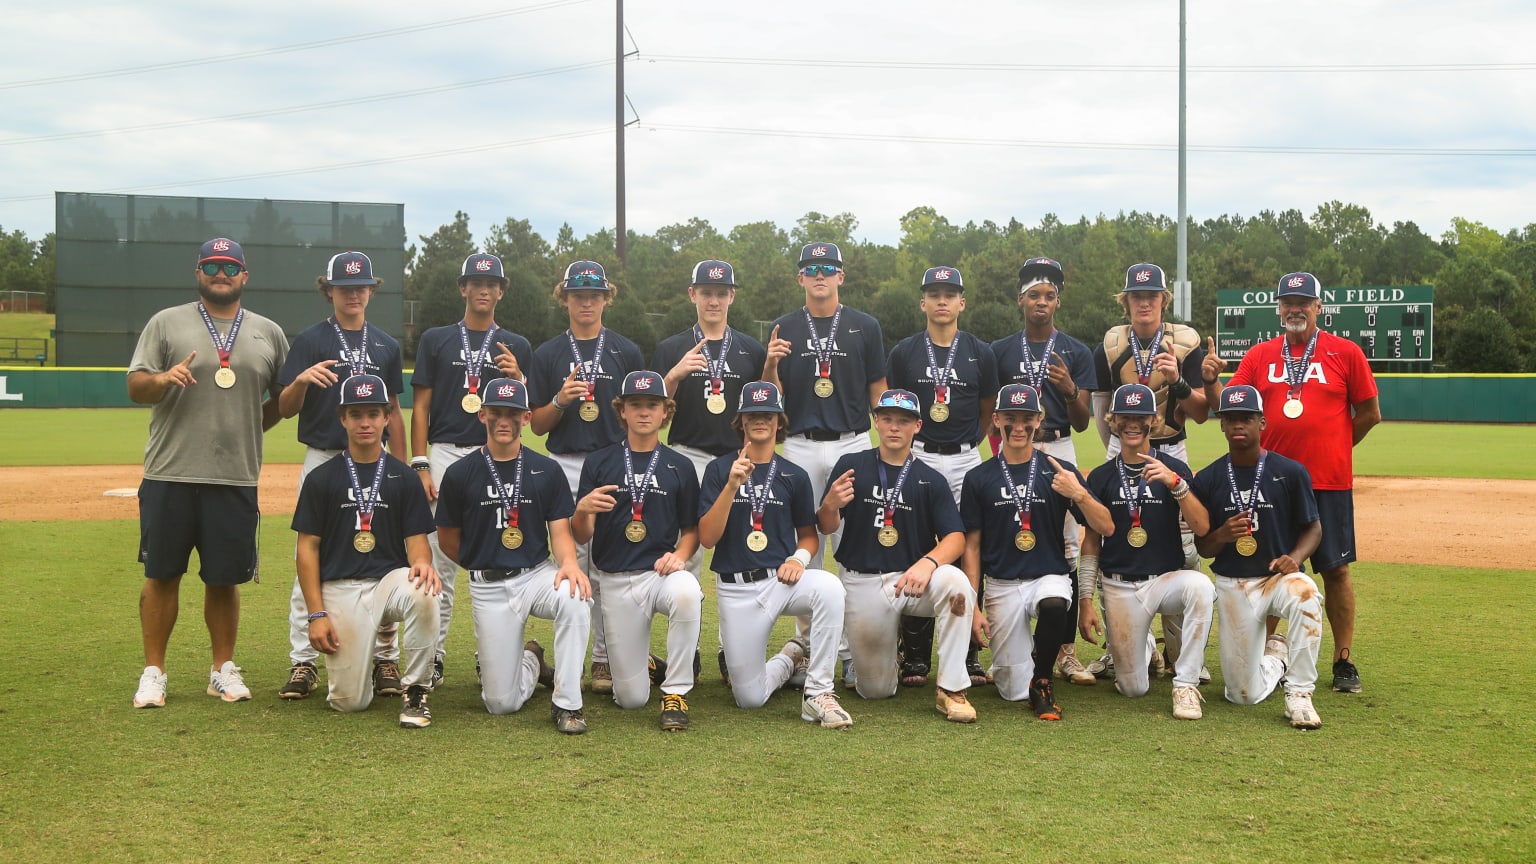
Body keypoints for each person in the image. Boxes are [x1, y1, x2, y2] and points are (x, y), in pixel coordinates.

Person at [128, 237, 288, 709]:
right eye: (212, 265)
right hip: (170, 471)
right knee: (162, 574)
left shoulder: (267, 332)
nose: (222, 273)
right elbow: (136, 385)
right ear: (198, 272)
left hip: (234, 476)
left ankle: (222, 669)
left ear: (245, 276)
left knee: (224, 579)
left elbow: (282, 400)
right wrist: (162, 379)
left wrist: (252, 425)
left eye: (230, 266)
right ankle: (153, 672)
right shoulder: (166, 322)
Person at [1216, 272, 1380, 693]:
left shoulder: (1345, 353)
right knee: (1270, 570)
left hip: (1327, 482)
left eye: (1303, 302)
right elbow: (1232, 407)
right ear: (1278, 308)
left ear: (1318, 308)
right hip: (1269, 484)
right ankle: (1269, 654)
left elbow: (1368, 413)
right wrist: (1208, 377)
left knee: (1336, 569)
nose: (1295, 309)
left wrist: (1338, 448)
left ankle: (1342, 659)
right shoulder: (1259, 356)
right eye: (1287, 302)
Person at [276, 251, 408, 700]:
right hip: (324, 458)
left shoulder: (387, 345)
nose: (353, 294)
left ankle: (386, 660)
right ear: (328, 290)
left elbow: (394, 413)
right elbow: (284, 407)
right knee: (308, 557)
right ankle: (302, 662)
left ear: (371, 290)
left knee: (389, 560)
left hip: (378, 464)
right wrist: (300, 382)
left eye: (361, 286)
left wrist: (406, 468)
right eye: (344, 287)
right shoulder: (310, 341)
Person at [433, 377, 594, 734]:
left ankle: (568, 704)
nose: (503, 420)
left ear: (525, 418)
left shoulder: (546, 469)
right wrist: (483, 562)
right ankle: (533, 660)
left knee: (575, 598)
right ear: (482, 415)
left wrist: (568, 563)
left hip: (536, 574)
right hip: (489, 587)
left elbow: (561, 532)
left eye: (512, 413)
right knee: (500, 704)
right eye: (496, 413)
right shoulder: (460, 474)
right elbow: (447, 540)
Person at [763, 241, 887, 688]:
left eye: (828, 268)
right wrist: (771, 364)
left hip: (851, 441)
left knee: (852, 545)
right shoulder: (784, 326)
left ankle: (852, 651)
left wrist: (884, 446)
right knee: (805, 545)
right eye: (811, 268)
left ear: (841, 276)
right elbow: (770, 396)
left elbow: (879, 389)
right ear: (800, 277)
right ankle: (813, 649)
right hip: (798, 442)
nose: (820, 275)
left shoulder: (864, 326)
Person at [815, 388, 978, 722]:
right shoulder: (851, 465)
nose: (894, 427)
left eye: (903, 421)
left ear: (917, 426)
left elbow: (956, 538)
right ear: (875, 421)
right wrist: (830, 503)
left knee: (957, 584)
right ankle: (887, 651)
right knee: (876, 691)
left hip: (912, 579)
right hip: (863, 580)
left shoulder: (931, 478)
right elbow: (827, 525)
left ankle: (951, 688)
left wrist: (928, 562)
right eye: (887, 418)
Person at [697, 381, 852, 729]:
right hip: (736, 589)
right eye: (752, 415)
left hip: (781, 581)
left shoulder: (794, 475)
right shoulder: (720, 470)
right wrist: (732, 487)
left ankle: (817, 693)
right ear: (741, 421)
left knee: (829, 587)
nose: (760, 421)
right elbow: (708, 538)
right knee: (749, 699)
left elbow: (810, 536)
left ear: (780, 421)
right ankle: (791, 657)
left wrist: (798, 559)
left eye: (768, 414)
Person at [291, 374, 441, 727]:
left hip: (389, 582)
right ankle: (368, 667)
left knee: (424, 591)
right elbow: (307, 550)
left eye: (374, 413)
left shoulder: (402, 477)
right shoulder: (322, 478)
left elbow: (418, 542)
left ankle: (417, 690)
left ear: (387, 417)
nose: (365, 423)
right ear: (342, 418)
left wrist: (422, 565)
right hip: (341, 587)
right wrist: (315, 614)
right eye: (356, 414)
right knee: (349, 703)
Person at [410, 252, 531, 688]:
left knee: (493, 557)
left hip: (495, 456)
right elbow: (420, 405)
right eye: (476, 282)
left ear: (501, 290)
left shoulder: (516, 344)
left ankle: (492, 656)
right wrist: (420, 462)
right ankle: (433, 657)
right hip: (445, 452)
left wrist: (520, 376)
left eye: (492, 283)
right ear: (462, 288)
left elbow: (524, 411)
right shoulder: (437, 339)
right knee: (440, 563)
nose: (484, 289)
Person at [528, 260, 647, 695]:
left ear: (605, 299)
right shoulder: (547, 354)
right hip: (565, 465)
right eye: (577, 295)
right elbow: (537, 425)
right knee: (571, 565)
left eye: (594, 295)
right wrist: (560, 400)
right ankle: (569, 665)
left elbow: (639, 414)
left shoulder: (626, 351)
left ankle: (602, 661)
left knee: (607, 565)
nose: (586, 302)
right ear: (565, 299)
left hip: (613, 466)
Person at [1089, 262, 1212, 681]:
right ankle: (1123, 645)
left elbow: (1199, 412)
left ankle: (1181, 653)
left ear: (1164, 300)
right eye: (1136, 296)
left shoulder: (1185, 341)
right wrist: (1121, 440)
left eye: (1152, 296)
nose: (1144, 302)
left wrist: (1178, 382)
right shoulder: (1111, 342)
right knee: (1117, 541)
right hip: (1123, 447)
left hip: (1170, 446)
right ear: (1126, 302)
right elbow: (1103, 408)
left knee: (1183, 546)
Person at [961, 384, 1114, 721]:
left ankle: (1043, 679)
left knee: (1054, 602)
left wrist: (1079, 494)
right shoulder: (978, 477)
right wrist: (973, 604)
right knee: (1011, 691)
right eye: (1011, 419)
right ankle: (1029, 662)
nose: (1019, 427)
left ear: (1039, 419)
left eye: (1027, 418)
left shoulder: (1058, 470)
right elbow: (971, 547)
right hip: (1001, 583)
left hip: (1049, 574)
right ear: (996, 420)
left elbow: (1106, 527)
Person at [885, 266, 997, 690]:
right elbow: (895, 406)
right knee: (918, 544)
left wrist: (971, 441)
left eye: (950, 294)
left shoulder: (979, 352)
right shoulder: (904, 352)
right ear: (923, 303)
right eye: (934, 294)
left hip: (967, 457)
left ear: (962, 303)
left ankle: (968, 653)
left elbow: (987, 406)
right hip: (918, 454)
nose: (942, 301)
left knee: (969, 545)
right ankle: (914, 653)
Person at [989, 257, 1098, 687]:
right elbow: (991, 410)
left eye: (1049, 296)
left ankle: (1065, 650)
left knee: (1068, 544)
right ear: (1021, 299)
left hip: (1057, 443)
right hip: (1014, 446)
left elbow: (1085, 419)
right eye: (1034, 294)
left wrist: (1070, 389)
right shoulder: (1000, 350)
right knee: (1006, 530)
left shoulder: (1075, 349)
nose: (1042, 302)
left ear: (1058, 301)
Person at [573, 371, 703, 731]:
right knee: (630, 699)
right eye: (636, 405)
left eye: (653, 405)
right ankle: (646, 665)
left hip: (660, 574)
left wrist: (680, 555)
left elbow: (692, 530)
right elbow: (581, 534)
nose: (644, 412)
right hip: (615, 578)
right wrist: (582, 510)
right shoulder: (599, 462)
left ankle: (676, 691)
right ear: (622, 412)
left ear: (666, 413)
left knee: (688, 592)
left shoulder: (680, 465)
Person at [1191, 385, 1324, 729]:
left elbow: (1314, 529)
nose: (1238, 425)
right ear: (1221, 424)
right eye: (1231, 418)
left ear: (1262, 421)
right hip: (1234, 583)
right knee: (1241, 695)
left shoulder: (1291, 472)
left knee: (1307, 593)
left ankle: (1299, 694)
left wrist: (1294, 558)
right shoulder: (1208, 479)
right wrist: (1222, 534)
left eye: (1246, 418)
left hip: (1278, 578)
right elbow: (1203, 548)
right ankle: (1276, 660)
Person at [1078, 384, 1214, 720]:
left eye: (1140, 416)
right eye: (1124, 416)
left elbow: (1201, 527)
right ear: (1112, 420)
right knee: (1132, 688)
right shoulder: (1101, 477)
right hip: (1120, 585)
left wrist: (1175, 484)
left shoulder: (1172, 468)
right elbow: (1092, 542)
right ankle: (1147, 647)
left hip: (1165, 580)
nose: (1132, 423)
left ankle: (1185, 683)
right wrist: (1084, 601)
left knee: (1201, 587)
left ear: (1153, 420)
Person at [652, 258, 767, 579]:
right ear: (692, 294)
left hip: (738, 459)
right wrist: (674, 374)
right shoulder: (671, 347)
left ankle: (734, 631)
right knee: (686, 555)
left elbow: (764, 410)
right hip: (688, 457)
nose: (713, 301)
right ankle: (689, 630)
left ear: (732, 296)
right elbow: (654, 416)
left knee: (740, 548)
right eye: (706, 292)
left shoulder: (750, 349)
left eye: (721, 293)